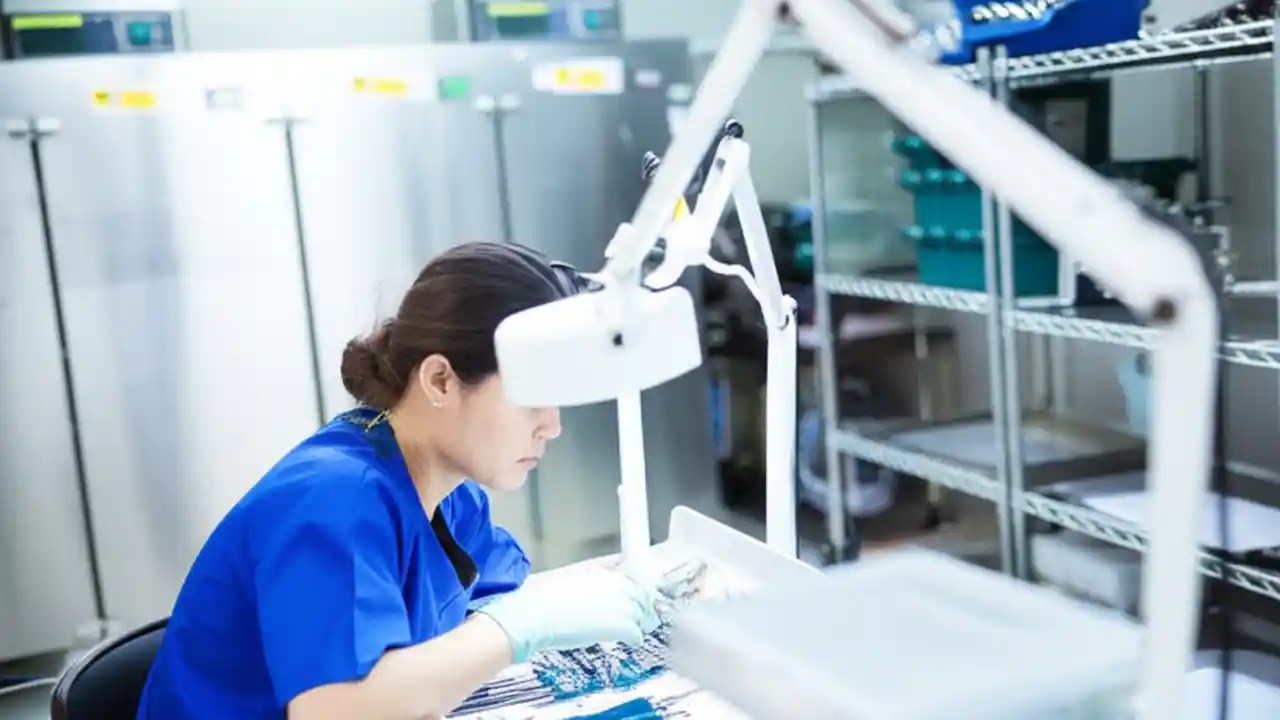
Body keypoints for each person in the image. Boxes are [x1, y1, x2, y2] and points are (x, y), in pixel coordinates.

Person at [137, 242, 661, 720]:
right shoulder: (336, 500)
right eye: (530, 397)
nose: (553, 426)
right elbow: (335, 711)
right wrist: (519, 629)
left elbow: (495, 594)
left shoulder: (451, 496)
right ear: (440, 380)